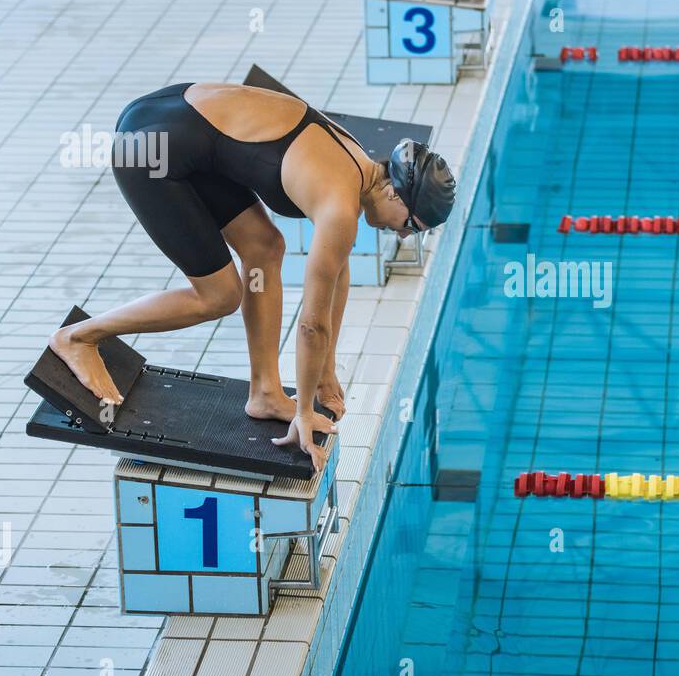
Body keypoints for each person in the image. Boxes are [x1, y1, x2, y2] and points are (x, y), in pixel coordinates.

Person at [50, 82, 456, 471]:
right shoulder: (339, 209)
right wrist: (302, 415)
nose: (404, 235)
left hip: (175, 122)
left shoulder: (357, 164)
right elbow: (312, 325)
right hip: (149, 148)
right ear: (394, 193)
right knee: (220, 295)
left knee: (265, 246)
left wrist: (325, 375)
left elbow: (338, 278)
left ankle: (264, 392)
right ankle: (79, 337)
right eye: (412, 225)